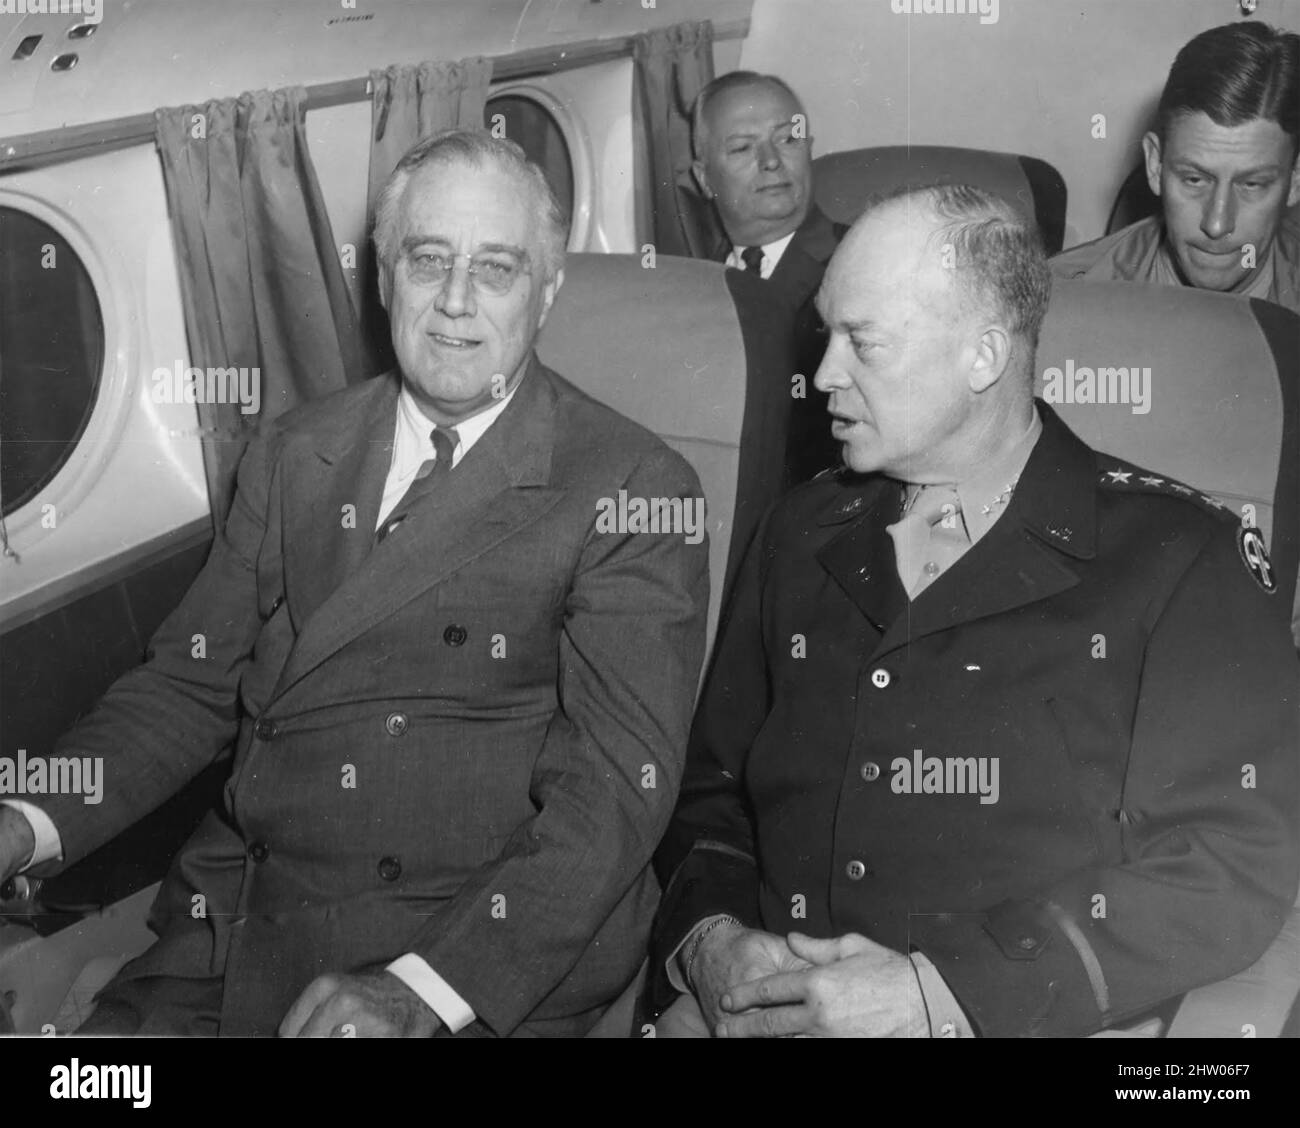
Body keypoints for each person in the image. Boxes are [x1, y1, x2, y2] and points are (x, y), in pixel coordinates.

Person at [0, 130, 710, 1038]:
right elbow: (185, 686)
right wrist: (27, 819)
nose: (455, 303)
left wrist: (426, 987)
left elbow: (614, 791)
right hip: (238, 923)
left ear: (549, 289)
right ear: (383, 278)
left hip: (461, 951)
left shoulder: (632, 487)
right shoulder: (297, 450)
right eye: (427, 260)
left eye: (496, 268)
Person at [649, 184, 1300, 1038]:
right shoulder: (800, 532)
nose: (823, 375)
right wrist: (713, 943)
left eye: (863, 342)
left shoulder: (1179, 559)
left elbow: (1226, 864)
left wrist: (938, 996)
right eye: (825, 334)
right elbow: (711, 795)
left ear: (984, 355)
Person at [1052, 21, 1300, 313]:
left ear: (1295, 181)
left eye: (1252, 185)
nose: (1217, 224)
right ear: (1155, 164)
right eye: (1194, 179)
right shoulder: (1057, 301)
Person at [691, 70, 847, 484]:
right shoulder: (689, 286)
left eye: (788, 138)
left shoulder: (859, 266)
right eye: (742, 147)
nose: (772, 161)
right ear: (704, 179)